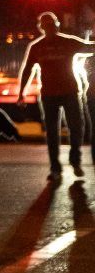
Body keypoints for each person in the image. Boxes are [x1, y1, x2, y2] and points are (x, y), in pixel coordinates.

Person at [19, 12, 95, 179]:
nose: (50, 29)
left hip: (68, 92)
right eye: (47, 26)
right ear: (42, 28)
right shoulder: (37, 47)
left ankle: (73, 160)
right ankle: (56, 167)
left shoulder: (66, 42)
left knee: (75, 127)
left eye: (51, 25)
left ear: (56, 26)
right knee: (55, 131)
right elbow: (27, 71)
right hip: (50, 95)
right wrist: (21, 93)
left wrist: (21, 94)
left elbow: (90, 47)